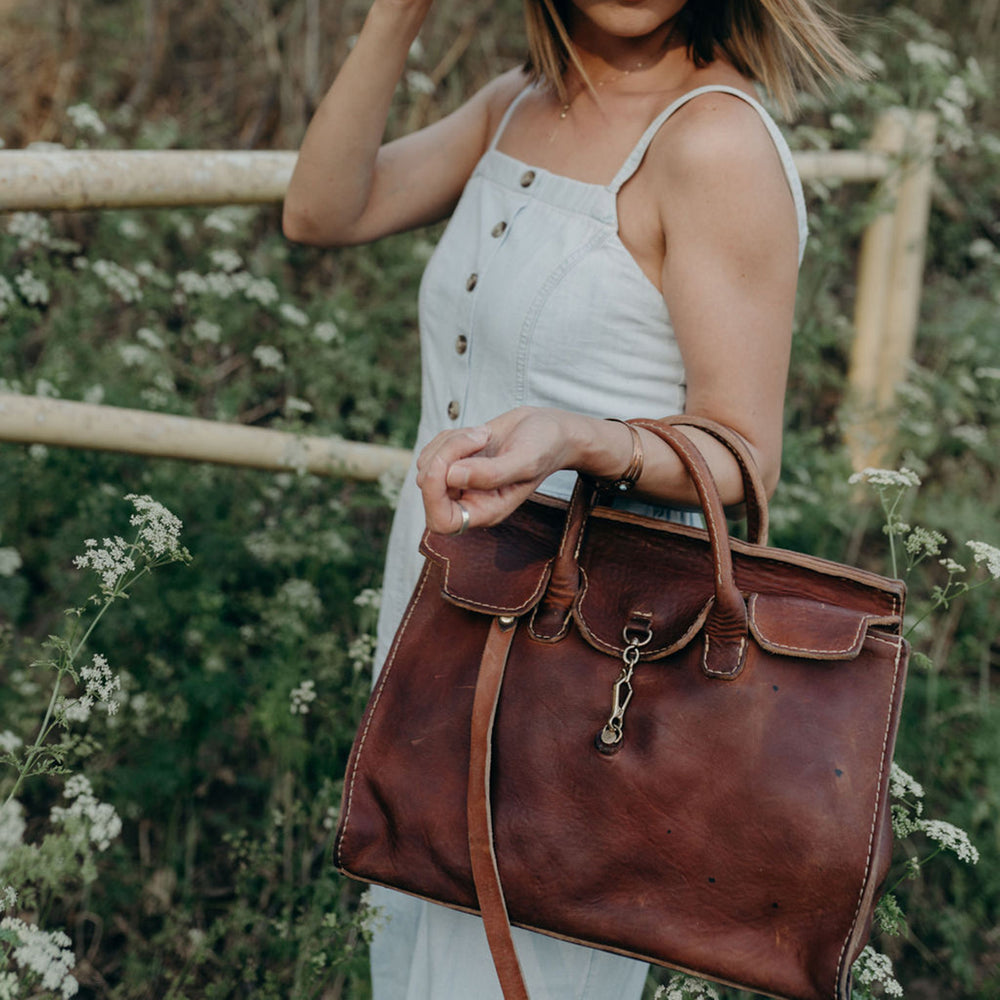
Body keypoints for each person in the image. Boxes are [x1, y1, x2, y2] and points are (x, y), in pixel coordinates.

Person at [283, 0, 863, 996]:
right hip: (437, 603)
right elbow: (322, 210)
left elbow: (740, 454)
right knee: (416, 948)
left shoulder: (712, 141)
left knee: (520, 966)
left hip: (581, 654)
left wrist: (581, 437)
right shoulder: (515, 105)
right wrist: (392, 20)